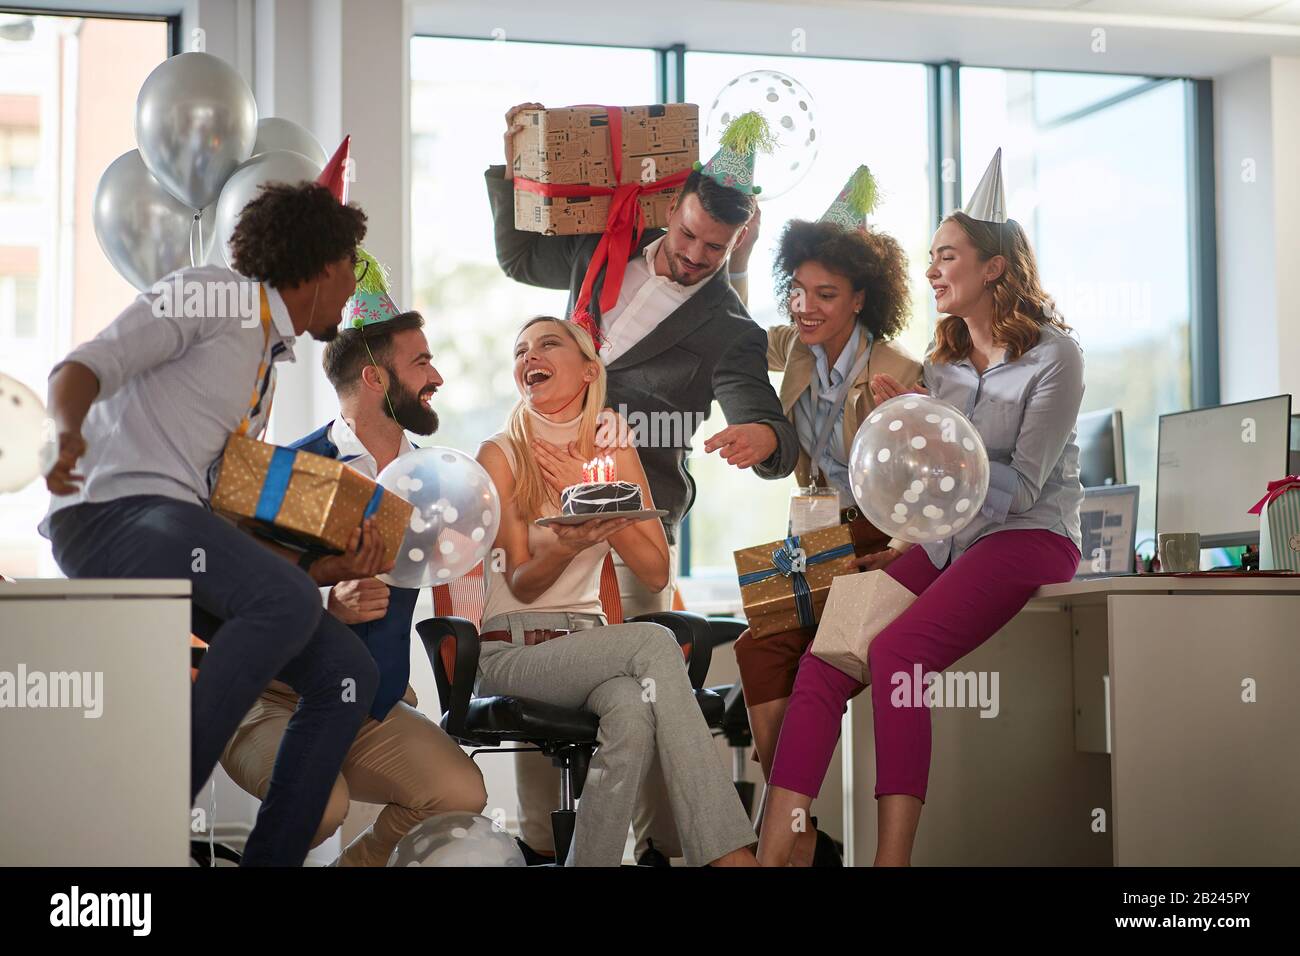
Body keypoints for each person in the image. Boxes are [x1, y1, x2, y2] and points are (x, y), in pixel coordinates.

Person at [42, 182, 388, 866]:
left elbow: (228, 540)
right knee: (281, 598)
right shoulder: (216, 294)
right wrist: (65, 435)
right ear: (321, 264)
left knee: (347, 669)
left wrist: (326, 571)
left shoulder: (265, 358)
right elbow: (85, 364)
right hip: (107, 515)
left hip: (175, 532)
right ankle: (148, 808)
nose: (355, 283)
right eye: (352, 264)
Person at [488, 105, 798, 864]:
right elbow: (524, 260)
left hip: (638, 523)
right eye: (689, 236)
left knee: (653, 700)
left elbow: (764, 421)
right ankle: (540, 847)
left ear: (737, 241)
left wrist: (764, 438)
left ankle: (668, 848)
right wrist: (511, 165)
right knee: (550, 689)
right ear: (672, 212)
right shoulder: (608, 245)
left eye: (716, 248)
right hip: (551, 501)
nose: (694, 256)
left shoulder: (729, 326)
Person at [757, 150, 1085, 866]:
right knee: (818, 662)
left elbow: (1019, 489)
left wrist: (933, 449)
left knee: (899, 650)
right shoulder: (940, 365)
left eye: (948, 256)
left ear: (994, 267)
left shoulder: (1054, 357)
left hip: (1028, 535)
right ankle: (772, 854)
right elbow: (935, 492)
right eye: (931, 258)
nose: (935, 269)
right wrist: (915, 514)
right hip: (937, 542)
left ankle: (890, 862)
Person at [219, 250, 487, 866]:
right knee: (321, 805)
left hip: (369, 701)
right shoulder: (300, 469)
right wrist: (321, 602)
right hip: (272, 698)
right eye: (421, 362)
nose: (437, 377)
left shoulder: (433, 483)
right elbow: (233, 595)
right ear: (374, 378)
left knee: (458, 793)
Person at [474, 315, 759, 867]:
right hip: (514, 649)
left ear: (588, 370)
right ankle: (729, 853)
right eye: (520, 350)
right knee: (652, 643)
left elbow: (654, 572)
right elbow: (521, 582)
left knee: (631, 711)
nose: (529, 355)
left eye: (548, 343)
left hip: (590, 646)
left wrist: (599, 504)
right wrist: (564, 541)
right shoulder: (500, 453)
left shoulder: (611, 448)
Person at [727, 167, 923, 865]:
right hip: (812, 531)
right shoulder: (798, 349)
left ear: (861, 298)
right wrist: (743, 256)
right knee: (756, 649)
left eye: (825, 294)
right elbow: (740, 329)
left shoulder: (900, 368)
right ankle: (801, 830)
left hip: (877, 532)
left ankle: (787, 836)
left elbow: (937, 481)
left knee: (818, 664)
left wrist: (902, 543)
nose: (806, 306)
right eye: (799, 290)